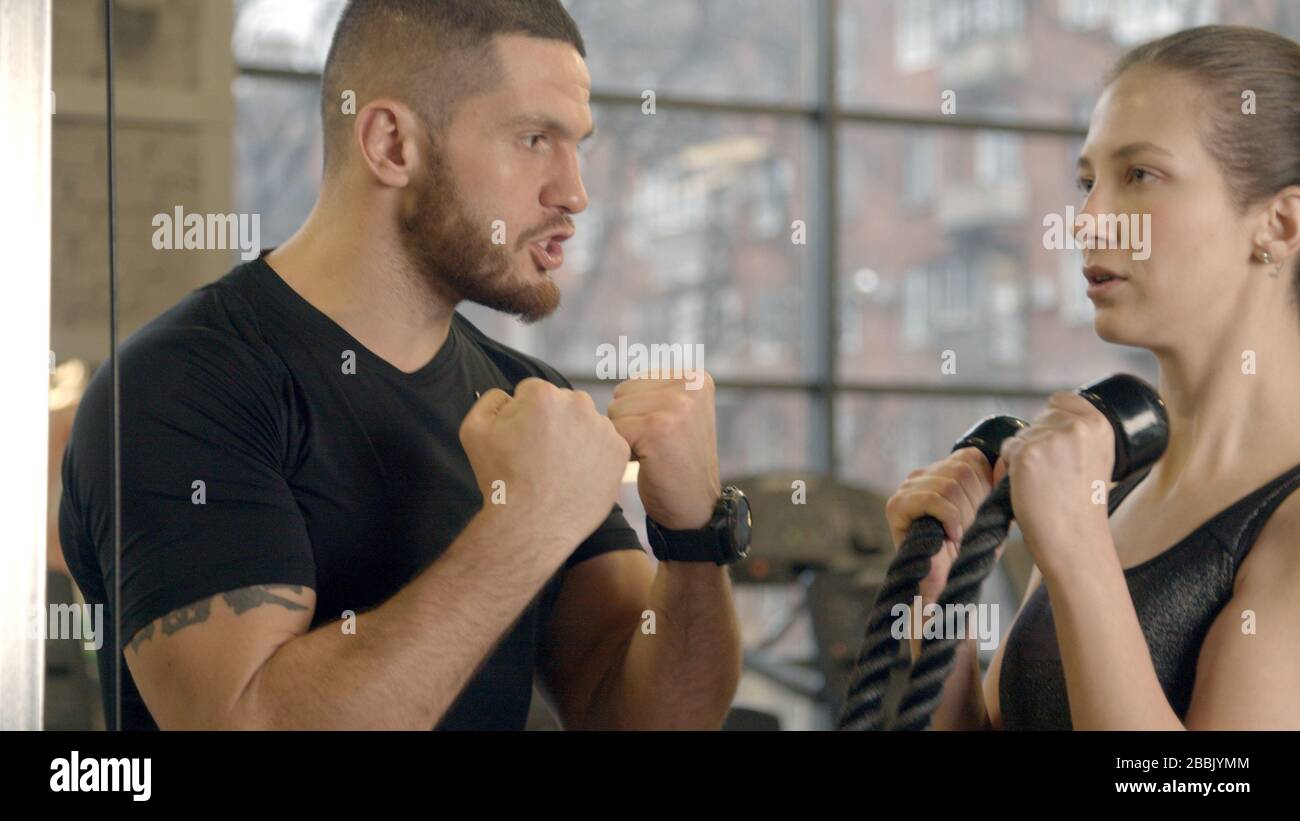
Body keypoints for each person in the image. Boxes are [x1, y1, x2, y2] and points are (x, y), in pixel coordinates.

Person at [60, 0, 744, 731]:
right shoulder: (184, 385)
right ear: (391, 144)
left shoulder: (524, 397)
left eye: (577, 144)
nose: (573, 191)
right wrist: (525, 528)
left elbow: (645, 718)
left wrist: (695, 536)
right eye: (534, 138)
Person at [884, 25, 1300, 730]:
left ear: (1281, 225)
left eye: (1140, 174)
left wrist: (1078, 552)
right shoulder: (1109, 491)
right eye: (1087, 182)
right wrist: (939, 603)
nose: (1088, 221)